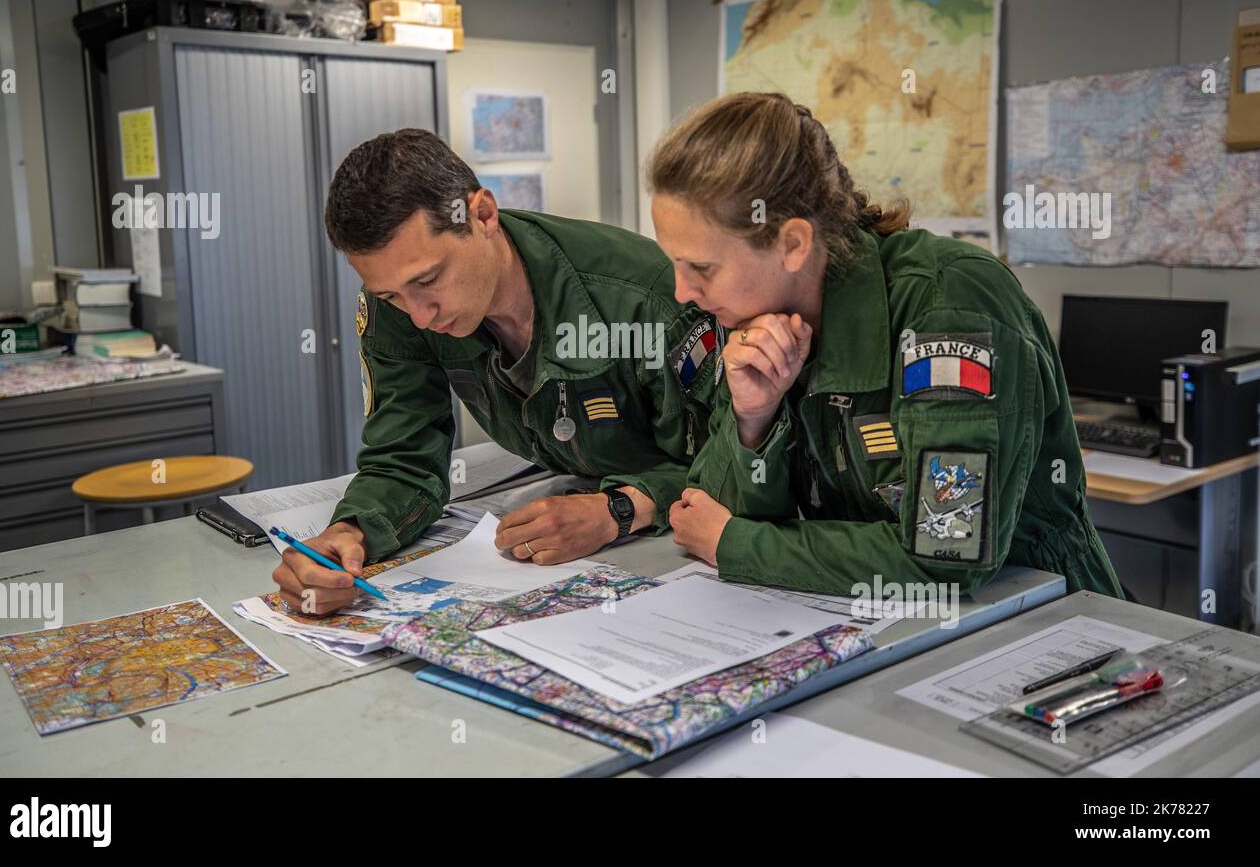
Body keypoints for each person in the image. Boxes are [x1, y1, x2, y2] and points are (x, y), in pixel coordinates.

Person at [654, 92, 1123, 597]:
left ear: (792, 244)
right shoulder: (758, 322)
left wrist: (738, 547)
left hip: (1039, 616)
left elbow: (948, 552)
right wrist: (753, 419)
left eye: (701, 268)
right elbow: (701, 515)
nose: (684, 293)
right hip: (870, 618)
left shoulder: (949, 307)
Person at [271, 128, 719, 615]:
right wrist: (350, 532)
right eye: (391, 296)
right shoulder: (401, 305)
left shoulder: (642, 296)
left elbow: (733, 461)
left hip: (679, 556)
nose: (419, 316)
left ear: (482, 214)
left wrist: (622, 510)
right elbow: (404, 457)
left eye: (428, 280)